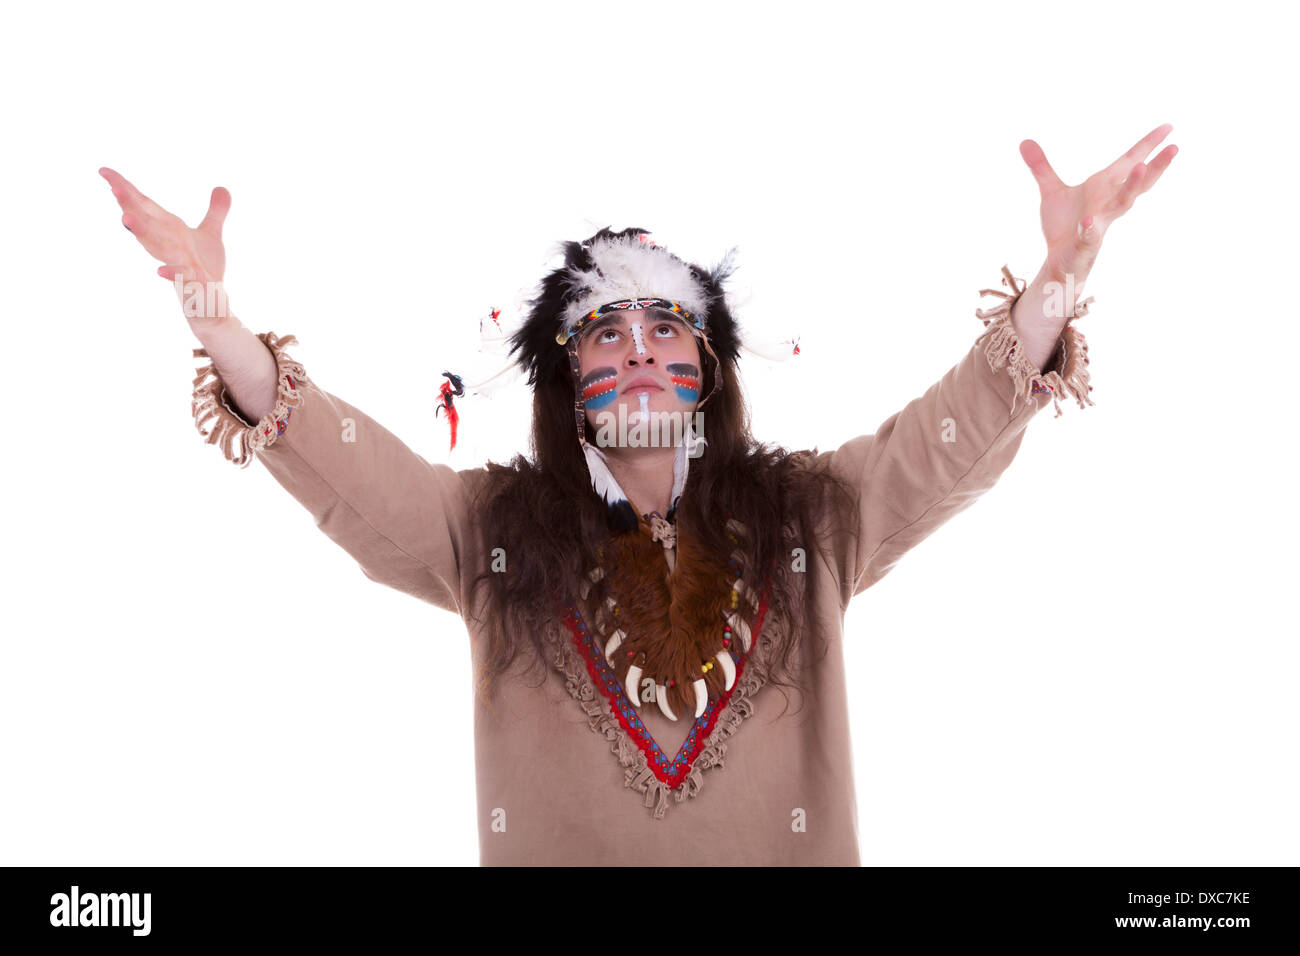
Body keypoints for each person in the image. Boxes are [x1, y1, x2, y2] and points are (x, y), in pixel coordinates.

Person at [97, 126, 1176, 865]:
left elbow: (947, 439)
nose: (639, 349)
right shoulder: (487, 538)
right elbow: (353, 473)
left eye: (666, 326)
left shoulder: (814, 518)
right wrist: (216, 320)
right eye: (604, 331)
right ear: (569, 384)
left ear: (707, 367)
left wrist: (1060, 276)